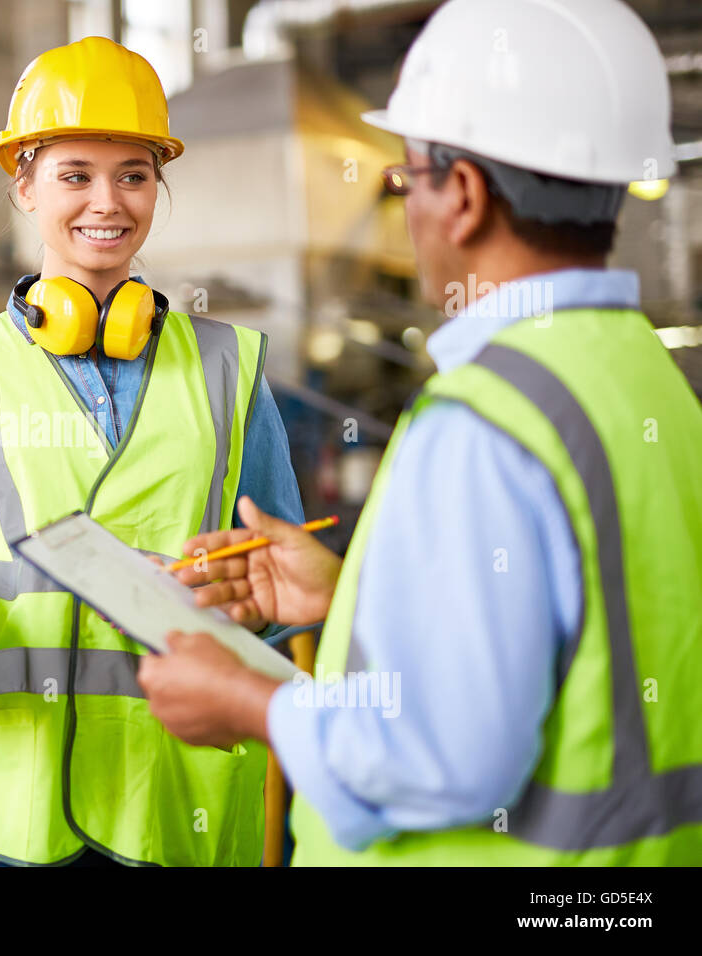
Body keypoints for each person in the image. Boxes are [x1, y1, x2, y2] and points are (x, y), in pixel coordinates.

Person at [138, 0, 702, 865]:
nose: (405, 212)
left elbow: (446, 759)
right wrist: (352, 594)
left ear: (465, 196)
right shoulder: (646, 379)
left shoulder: (485, 420)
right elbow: (595, 622)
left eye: (407, 181)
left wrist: (252, 702)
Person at [0, 36, 304, 866]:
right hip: (18, 813)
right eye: (75, 175)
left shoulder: (230, 368)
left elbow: (283, 577)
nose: (109, 200)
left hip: (184, 796)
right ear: (23, 187)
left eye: (134, 174)